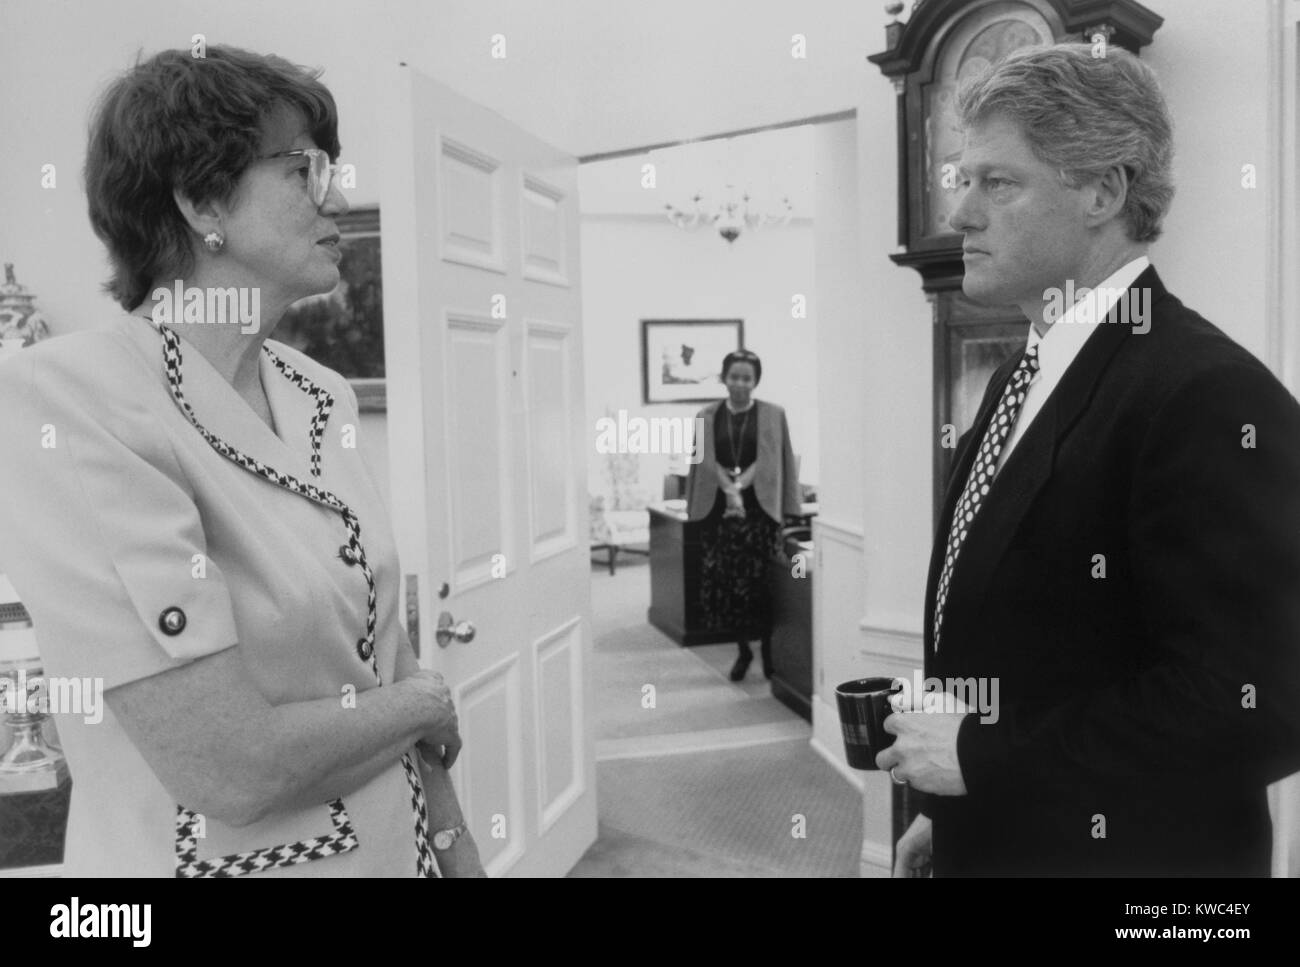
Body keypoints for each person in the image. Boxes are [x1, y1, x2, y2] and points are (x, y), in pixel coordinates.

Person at [0, 46, 484, 877]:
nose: (334, 196)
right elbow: (230, 763)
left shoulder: (317, 391)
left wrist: (453, 848)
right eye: (304, 169)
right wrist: (421, 701)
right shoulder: (68, 399)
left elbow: (383, 659)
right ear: (199, 199)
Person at [877, 42, 1300, 876]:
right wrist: (963, 813)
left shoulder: (1205, 393)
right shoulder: (1019, 374)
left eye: (997, 183)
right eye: (963, 180)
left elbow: (1263, 704)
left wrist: (982, 761)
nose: (959, 214)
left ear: (1104, 190)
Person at [685, 350, 801, 681]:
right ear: (724, 378)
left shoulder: (773, 414)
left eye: (746, 378)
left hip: (760, 514)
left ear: (756, 381)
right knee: (728, 587)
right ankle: (743, 651)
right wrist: (729, 488)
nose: (740, 384)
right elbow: (702, 461)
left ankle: (766, 649)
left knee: (762, 586)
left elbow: (778, 460)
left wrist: (744, 485)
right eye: (733, 376)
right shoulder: (706, 415)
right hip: (720, 514)